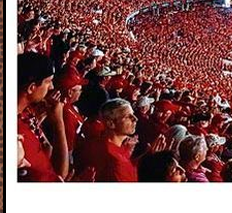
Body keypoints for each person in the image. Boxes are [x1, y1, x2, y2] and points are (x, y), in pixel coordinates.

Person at [16, 52, 65, 181]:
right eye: (48, 82)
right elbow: (61, 173)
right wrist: (59, 122)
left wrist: (39, 117)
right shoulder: (19, 135)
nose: (52, 87)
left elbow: (47, 148)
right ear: (31, 88)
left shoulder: (26, 111)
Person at [74, 98, 139, 182]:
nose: (135, 119)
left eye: (133, 114)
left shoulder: (94, 144)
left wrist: (126, 152)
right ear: (111, 124)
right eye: (128, 117)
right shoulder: (116, 161)